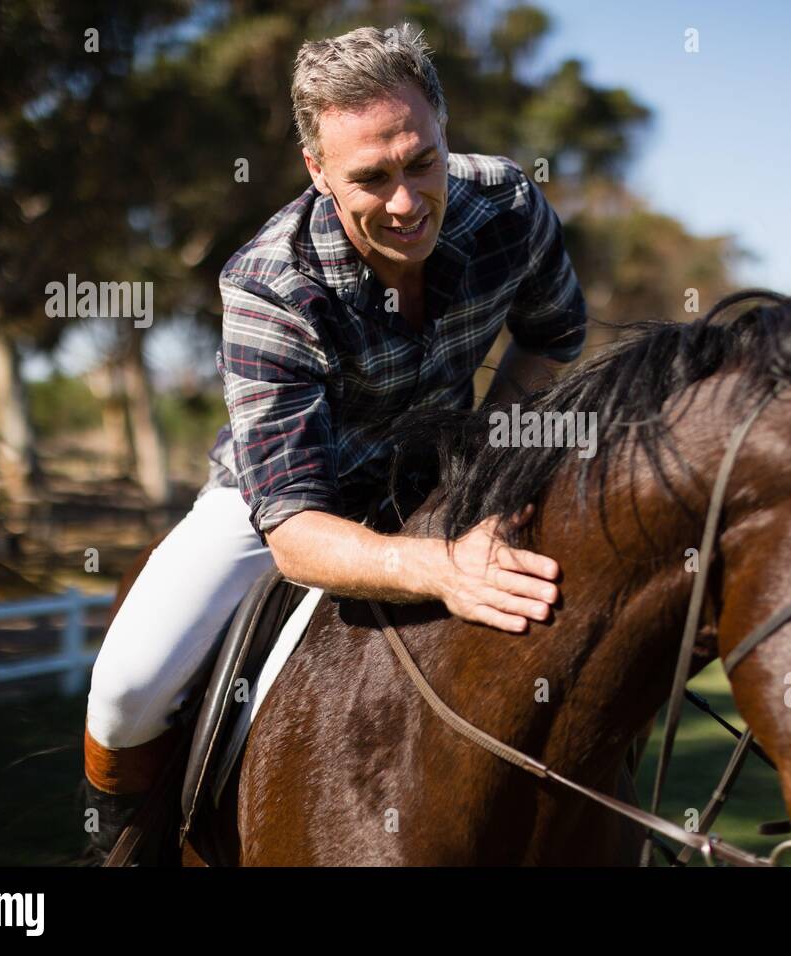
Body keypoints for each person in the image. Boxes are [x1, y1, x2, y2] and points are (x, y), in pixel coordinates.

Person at [81, 22, 587, 860]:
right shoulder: (266, 284)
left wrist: (487, 446)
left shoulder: (509, 203)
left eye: (421, 161)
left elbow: (554, 332)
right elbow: (292, 533)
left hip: (440, 473)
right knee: (126, 685)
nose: (406, 201)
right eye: (371, 178)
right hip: (278, 501)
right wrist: (441, 566)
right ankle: (120, 853)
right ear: (317, 171)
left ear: (443, 128)